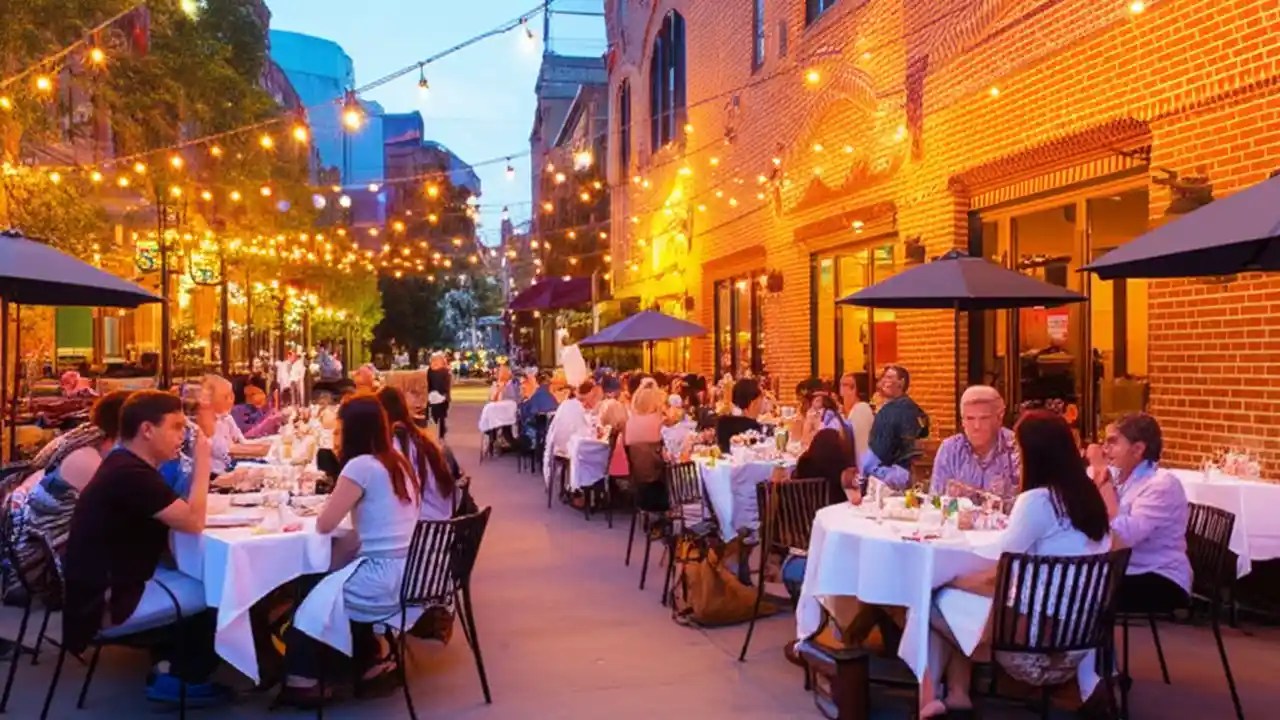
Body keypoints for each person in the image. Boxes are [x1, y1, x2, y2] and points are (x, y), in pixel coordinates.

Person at [921, 410, 1111, 718]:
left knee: (931, 600)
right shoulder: (1087, 496)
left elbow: (998, 564)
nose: (1016, 458)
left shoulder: (1038, 501)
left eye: (1018, 450)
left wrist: (948, 579)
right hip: (1081, 638)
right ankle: (957, 695)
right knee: (962, 602)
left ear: (1036, 454)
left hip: (1036, 648)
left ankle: (931, 698)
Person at [63, 390, 224, 706]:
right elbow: (193, 521)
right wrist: (203, 464)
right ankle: (182, 678)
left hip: (98, 591)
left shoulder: (124, 465)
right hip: (107, 603)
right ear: (147, 430)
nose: (184, 435)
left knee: (201, 576)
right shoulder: (130, 474)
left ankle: (168, 666)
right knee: (220, 587)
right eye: (177, 427)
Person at [278, 395, 420, 708]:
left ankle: (302, 678)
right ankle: (364, 662)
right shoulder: (396, 462)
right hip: (408, 573)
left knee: (310, 583)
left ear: (352, 430)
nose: (334, 436)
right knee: (328, 576)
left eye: (339, 430)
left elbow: (325, 524)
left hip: (379, 580)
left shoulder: (360, 466)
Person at [5, 391, 131, 603]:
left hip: (35, 556)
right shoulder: (88, 460)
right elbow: (129, 518)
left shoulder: (84, 443)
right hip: (50, 569)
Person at [1087, 413, 1191, 614]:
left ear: (1137, 450)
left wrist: (1102, 478)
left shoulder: (1161, 485)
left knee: (1075, 589)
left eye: (1113, 443)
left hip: (1158, 577)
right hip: (1121, 570)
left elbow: (1119, 540)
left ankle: (1090, 645)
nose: (1105, 449)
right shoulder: (1119, 476)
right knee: (1060, 579)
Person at [377, 387, 458, 521]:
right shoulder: (421, 439)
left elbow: (401, 491)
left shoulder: (399, 443)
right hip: (442, 520)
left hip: (422, 525)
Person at [929, 385, 1018, 498]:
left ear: (999, 418)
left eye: (984, 418)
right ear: (962, 421)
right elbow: (936, 500)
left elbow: (1025, 506)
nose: (977, 426)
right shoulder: (950, 449)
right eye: (970, 419)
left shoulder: (1016, 448)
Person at [860, 365, 930, 490]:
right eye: (884, 377)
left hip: (891, 480)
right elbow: (924, 432)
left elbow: (878, 452)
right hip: (912, 477)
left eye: (890, 377)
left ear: (901, 382)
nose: (884, 381)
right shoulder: (915, 409)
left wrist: (864, 470)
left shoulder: (888, 413)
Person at [202, 375, 245, 476]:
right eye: (226, 397)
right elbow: (228, 451)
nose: (231, 400)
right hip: (215, 475)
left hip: (229, 470)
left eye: (232, 396)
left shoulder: (227, 418)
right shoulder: (204, 424)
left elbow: (242, 442)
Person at [714, 377, 765, 452]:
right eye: (761, 400)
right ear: (753, 403)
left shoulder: (722, 422)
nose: (762, 405)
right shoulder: (753, 427)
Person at [839, 372, 875, 464]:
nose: (841, 391)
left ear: (855, 389)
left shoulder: (861, 410)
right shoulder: (849, 411)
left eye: (845, 385)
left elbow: (862, 448)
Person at [426, 351, 453, 440]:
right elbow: (446, 387)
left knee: (433, 411)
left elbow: (428, 385)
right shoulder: (445, 371)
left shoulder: (429, 371)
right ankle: (441, 431)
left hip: (433, 396)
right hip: (440, 396)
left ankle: (435, 426)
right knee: (441, 413)